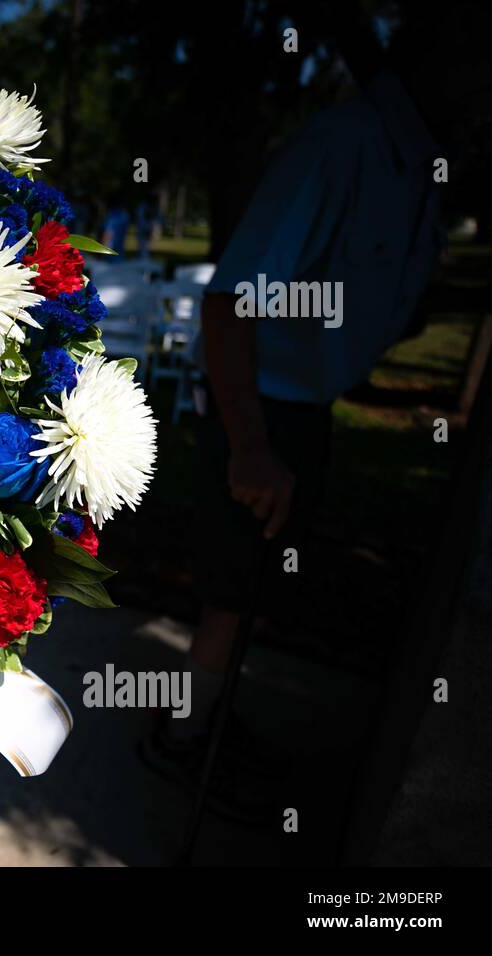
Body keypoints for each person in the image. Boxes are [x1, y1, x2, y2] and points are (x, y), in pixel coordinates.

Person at [140, 34, 455, 812]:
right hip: (260, 404)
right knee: (232, 593)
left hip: (306, 408)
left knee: (253, 596)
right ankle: (181, 740)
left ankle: (201, 720)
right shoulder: (344, 144)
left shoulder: (424, 168)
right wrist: (249, 442)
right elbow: (229, 304)